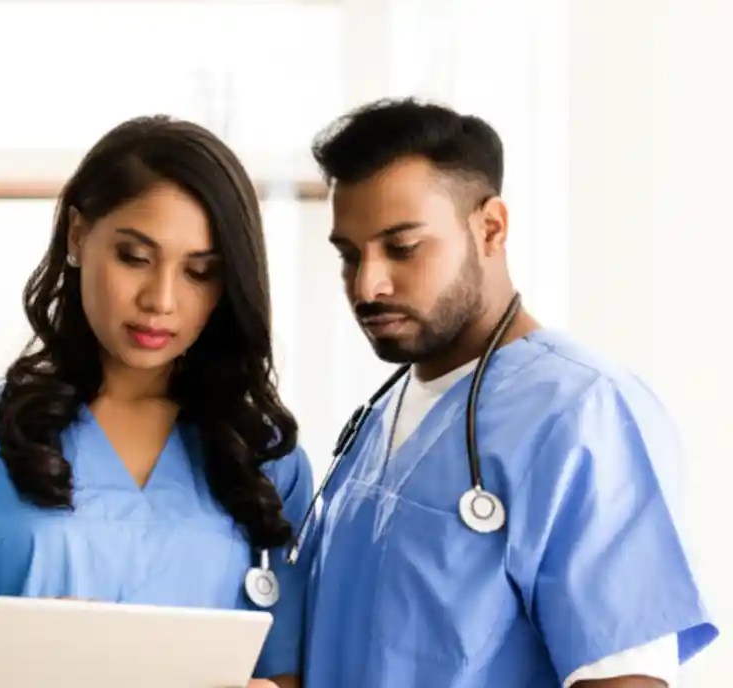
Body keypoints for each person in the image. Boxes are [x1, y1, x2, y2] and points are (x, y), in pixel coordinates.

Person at [0, 115, 311, 688]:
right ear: (79, 235)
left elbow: (286, 673)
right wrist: (61, 660)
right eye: (134, 257)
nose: (161, 300)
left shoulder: (263, 458)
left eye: (200, 273)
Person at [297, 97, 719, 687]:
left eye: (403, 247)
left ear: (490, 227)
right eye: (349, 256)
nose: (369, 284)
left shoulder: (582, 413)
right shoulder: (378, 419)